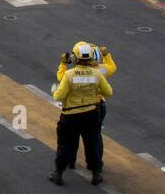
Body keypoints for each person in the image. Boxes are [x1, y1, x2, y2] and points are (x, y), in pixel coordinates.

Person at [49, 41, 113, 186]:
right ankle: (96, 174)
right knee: (92, 144)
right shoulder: (97, 74)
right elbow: (108, 92)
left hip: (71, 115)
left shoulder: (69, 74)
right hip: (91, 114)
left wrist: (55, 90)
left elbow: (58, 96)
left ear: (75, 58)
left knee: (65, 144)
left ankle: (58, 173)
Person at [57, 42, 116, 121]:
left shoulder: (73, 74)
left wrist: (63, 63)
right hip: (98, 107)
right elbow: (112, 67)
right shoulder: (102, 70)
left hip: (78, 107)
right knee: (94, 131)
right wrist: (106, 55)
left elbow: (61, 78)